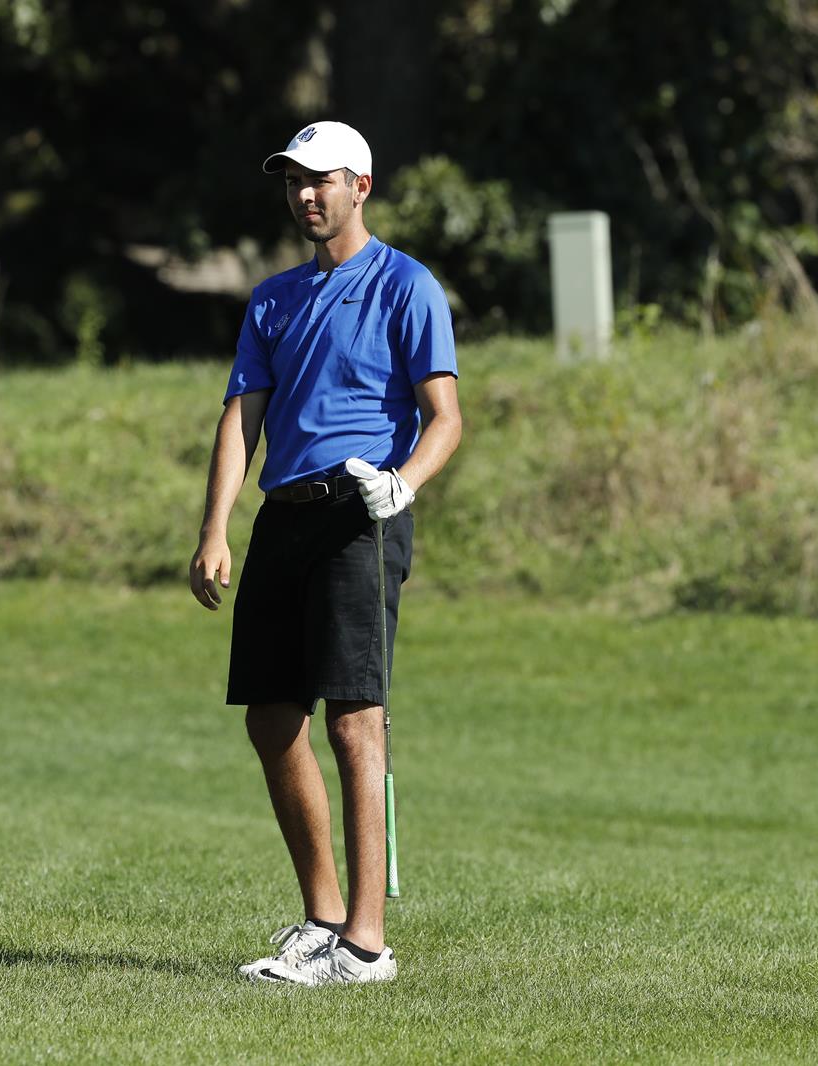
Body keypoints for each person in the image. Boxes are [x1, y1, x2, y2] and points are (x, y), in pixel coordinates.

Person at [189, 121, 462, 985]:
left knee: (353, 719)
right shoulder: (272, 299)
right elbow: (242, 418)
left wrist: (404, 483)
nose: (306, 194)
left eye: (322, 179)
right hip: (285, 515)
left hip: (362, 512)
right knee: (271, 718)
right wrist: (215, 527)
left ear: (360, 187)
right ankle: (323, 918)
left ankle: (366, 946)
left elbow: (445, 417)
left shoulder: (406, 284)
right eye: (294, 181)